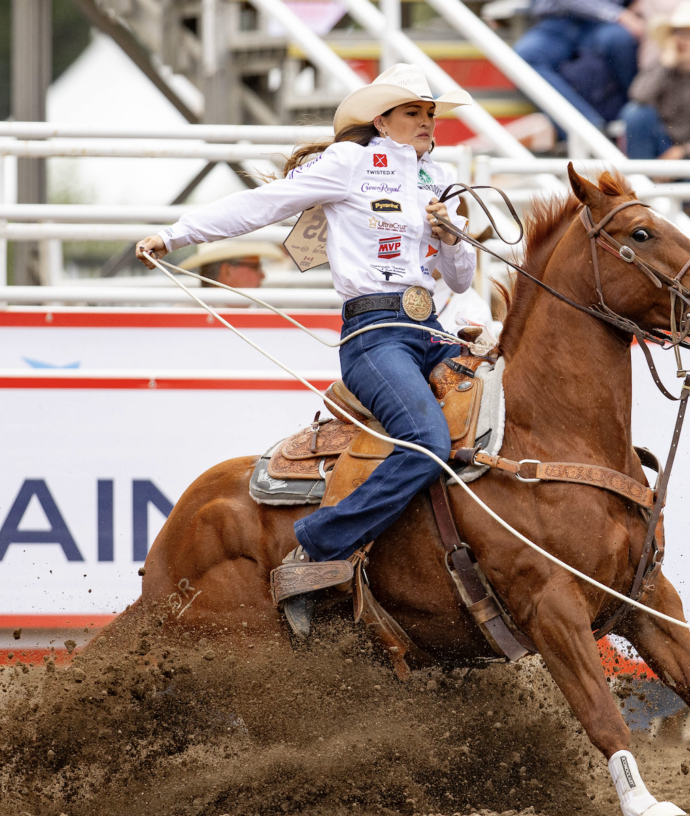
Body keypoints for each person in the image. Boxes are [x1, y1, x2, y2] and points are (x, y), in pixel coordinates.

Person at [134, 65, 477, 627]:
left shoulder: (435, 180)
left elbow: (460, 278)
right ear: (381, 120)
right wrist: (177, 234)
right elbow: (264, 203)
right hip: (375, 334)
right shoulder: (347, 164)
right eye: (413, 113)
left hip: (431, 330)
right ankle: (316, 545)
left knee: (499, 413)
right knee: (426, 440)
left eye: (431, 114)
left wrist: (450, 236)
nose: (426, 123)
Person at [623, 0, 690, 228]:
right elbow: (637, 98)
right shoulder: (661, 67)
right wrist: (665, 63)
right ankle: (637, 195)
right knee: (636, 114)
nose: (683, 40)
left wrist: (681, 152)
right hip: (658, 147)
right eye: (678, 33)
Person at [513, 0, 645, 129]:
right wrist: (619, 15)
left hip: (603, 25)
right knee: (523, 60)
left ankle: (636, 119)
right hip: (557, 23)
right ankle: (588, 128)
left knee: (620, 40)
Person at [179, 241, 285, 290]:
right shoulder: (186, 317)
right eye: (255, 267)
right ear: (227, 271)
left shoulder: (186, 315)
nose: (263, 276)